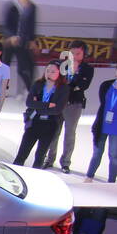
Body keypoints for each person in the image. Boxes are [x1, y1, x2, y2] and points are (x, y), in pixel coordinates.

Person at [47, 41, 93, 172]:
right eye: (72, 53)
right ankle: (49, 159)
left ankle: (66, 162)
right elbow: (55, 80)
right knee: (54, 131)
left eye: (78, 53)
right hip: (58, 102)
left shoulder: (88, 68)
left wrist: (70, 85)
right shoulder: (62, 65)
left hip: (74, 104)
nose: (75, 56)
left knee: (69, 133)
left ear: (84, 54)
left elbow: (83, 85)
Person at [3, 0, 37, 96]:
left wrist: (32, 40)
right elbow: (7, 24)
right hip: (10, 41)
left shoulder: (31, 7)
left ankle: (29, 90)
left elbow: (32, 24)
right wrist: (10, 36)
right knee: (5, 65)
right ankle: (3, 87)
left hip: (23, 41)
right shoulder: (11, 6)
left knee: (24, 67)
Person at [84, 74, 117, 184]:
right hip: (102, 124)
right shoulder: (106, 85)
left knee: (114, 155)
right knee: (97, 153)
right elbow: (103, 103)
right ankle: (89, 176)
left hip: (116, 128)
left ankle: (111, 181)